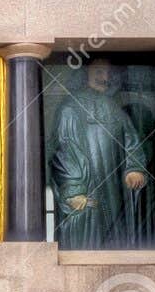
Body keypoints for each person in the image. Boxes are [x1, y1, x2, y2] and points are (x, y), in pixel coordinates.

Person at [49, 59, 148, 249]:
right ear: (85, 74)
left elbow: (131, 140)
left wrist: (133, 168)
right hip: (86, 190)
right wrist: (74, 190)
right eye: (99, 72)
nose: (105, 78)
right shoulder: (70, 109)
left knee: (116, 238)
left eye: (109, 74)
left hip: (115, 190)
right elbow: (64, 152)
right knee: (87, 239)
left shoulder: (116, 110)